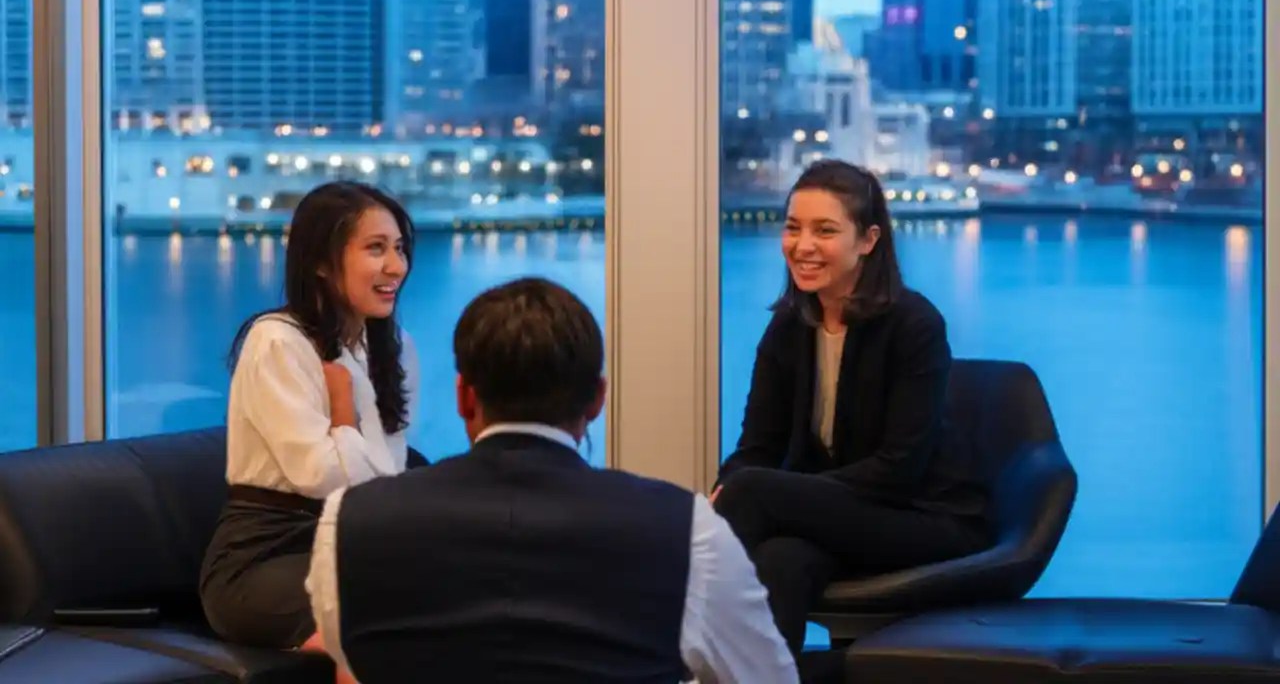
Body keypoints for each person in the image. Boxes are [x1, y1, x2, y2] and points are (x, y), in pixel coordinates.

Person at [304, 277, 798, 683]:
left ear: (465, 398)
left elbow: (354, 664)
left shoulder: (347, 524)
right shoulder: (687, 530)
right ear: (597, 400)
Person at [712, 160, 991, 658]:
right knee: (781, 559)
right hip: (838, 514)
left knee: (752, 493)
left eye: (825, 230)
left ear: (868, 240)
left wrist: (778, 497)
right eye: (793, 228)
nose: (802, 246)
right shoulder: (788, 328)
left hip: (924, 515)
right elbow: (757, 448)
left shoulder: (915, 325)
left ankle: (658, 653)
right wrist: (728, 487)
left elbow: (898, 471)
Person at [199, 181, 420, 675]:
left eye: (399, 248)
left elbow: (386, 475)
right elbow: (323, 478)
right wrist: (343, 413)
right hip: (264, 559)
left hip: (354, 541)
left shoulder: (394, 347)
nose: (396, 267)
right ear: (320, 262)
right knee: (385, 613)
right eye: (376, 248)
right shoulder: (277, 342)